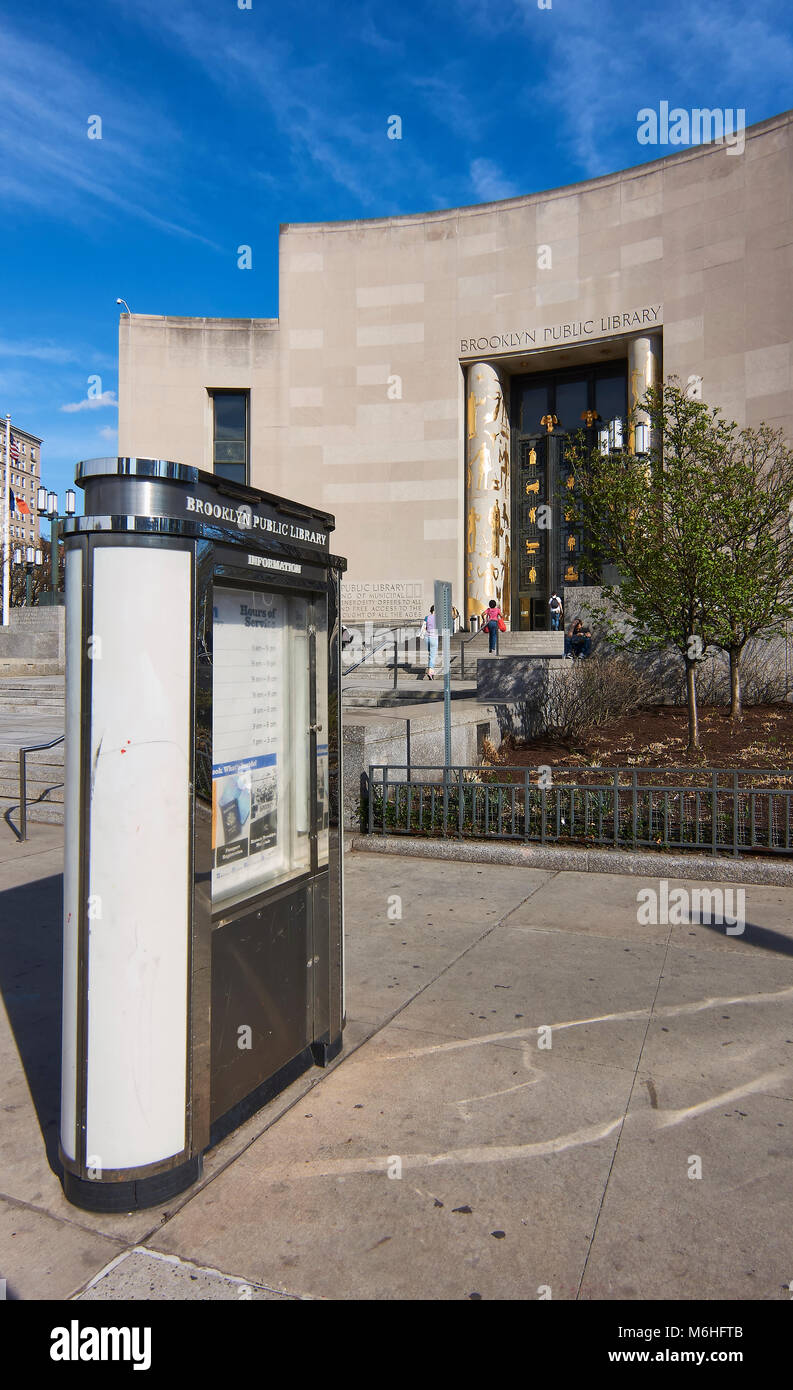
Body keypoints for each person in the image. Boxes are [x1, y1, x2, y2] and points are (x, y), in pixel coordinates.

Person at [420, 605, 439, 678]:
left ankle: (429, 669)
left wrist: (422, 636)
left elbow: (423, 628)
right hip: (434, 637)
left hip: (427, 638)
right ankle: (430, 671)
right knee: (432, 655)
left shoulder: (427, 617)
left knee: (430, 654)